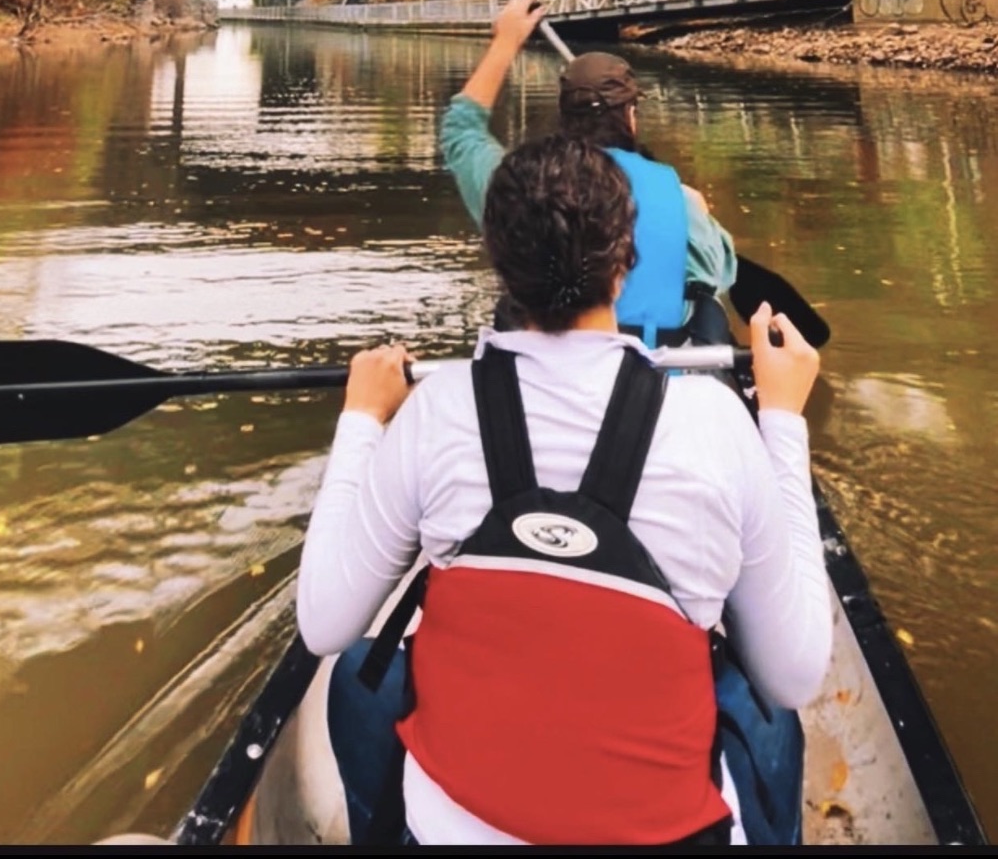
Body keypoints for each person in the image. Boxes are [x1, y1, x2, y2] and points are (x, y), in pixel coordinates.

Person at [297, 133, 832, 846]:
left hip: (449, 829)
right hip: (664, 833)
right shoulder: (712, 423)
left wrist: (362, 419)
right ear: (625, 262)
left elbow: (324, 625)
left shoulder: (437, 410)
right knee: (765, 709)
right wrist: (782, 421)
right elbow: (794, 677)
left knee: (361, 675)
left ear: (502, 268)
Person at [439, 0, 737, 349]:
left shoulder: (518, 188)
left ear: (564, 116)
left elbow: (461, 130)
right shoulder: (679, 201)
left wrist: (506, 40)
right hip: (654, 385)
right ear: (630, 116)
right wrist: (691, 209)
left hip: (534, 385)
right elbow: (717, 277)